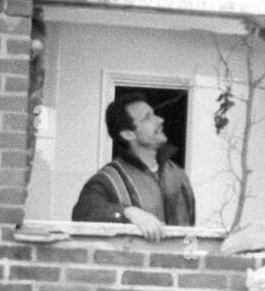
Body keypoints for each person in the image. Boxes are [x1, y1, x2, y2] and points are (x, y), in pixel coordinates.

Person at [72, 93, 195, 241]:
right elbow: (82, 212)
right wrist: (128, 212)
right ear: (128, 134)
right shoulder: (108, 179)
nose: (160, 120)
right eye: (148, 117)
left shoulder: (177, 174)